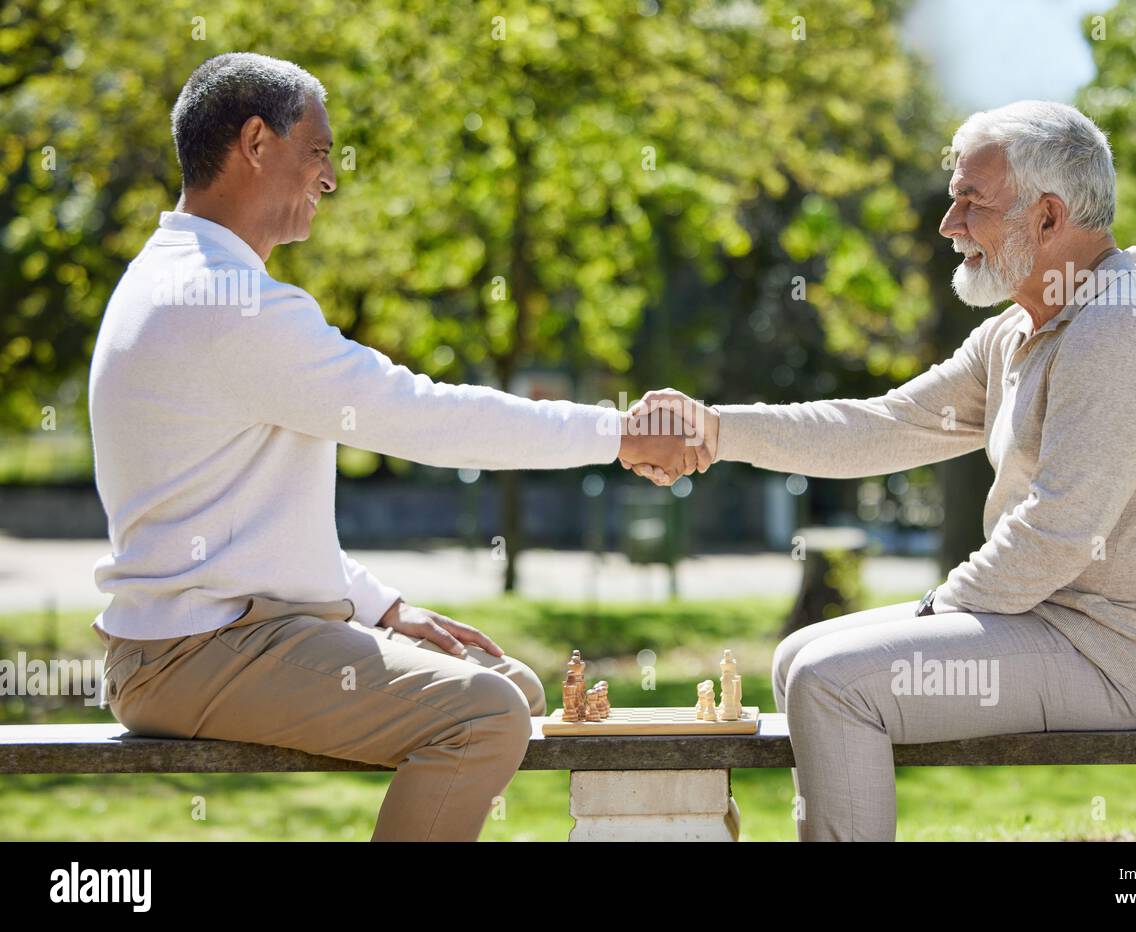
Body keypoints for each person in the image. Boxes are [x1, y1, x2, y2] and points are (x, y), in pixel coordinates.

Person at [88, 52, 687, 842]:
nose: (329, 179)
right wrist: (616, 433)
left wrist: (385, 609)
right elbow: (421, 415)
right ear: (257, 143)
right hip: (193, 654)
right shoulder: (223, 300)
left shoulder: (179, 277)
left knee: (506, 683)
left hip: (217, 640)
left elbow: (242, 522)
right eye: (319, 153)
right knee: (483, 716)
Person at [628, 100, 1136, 841]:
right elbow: (884, 426)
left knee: (831, 683)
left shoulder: (1122, 329)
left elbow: (1058, 531)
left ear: (1048, 219)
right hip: (1046, 623)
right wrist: (717, 429)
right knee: (797, 658)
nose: (949, 225)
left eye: (971, 202)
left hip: (1114, 658)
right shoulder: (1024, 326)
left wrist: (934, 611)